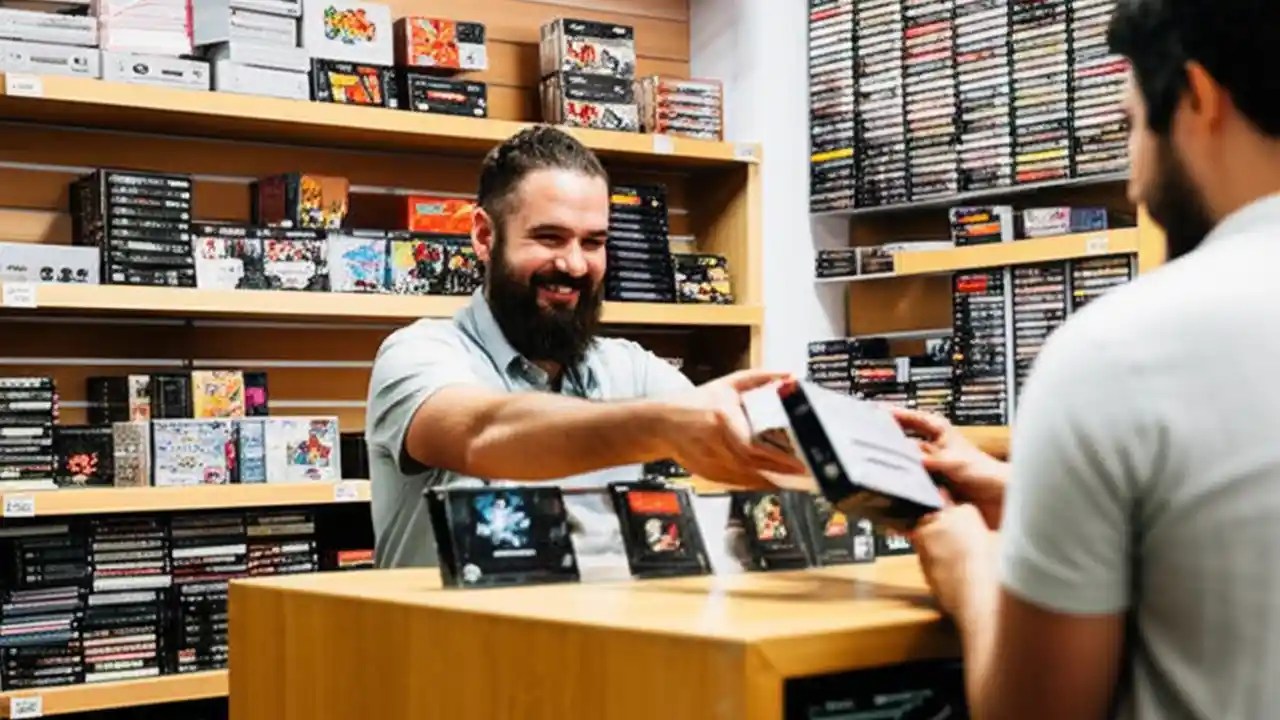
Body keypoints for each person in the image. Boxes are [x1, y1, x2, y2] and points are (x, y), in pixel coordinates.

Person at [896, 0, 1280, 717]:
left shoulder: (1120, 353)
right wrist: (1042, 502)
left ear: (1196, 97)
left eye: (1132, 124)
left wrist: (972, 568)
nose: (1134, 180)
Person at [365, 125, 803, 568]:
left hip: (590, 634)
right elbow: (480, 434)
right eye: (549, 237)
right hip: (449, 636)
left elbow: (749, 432)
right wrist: (664, 425)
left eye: (593, 242)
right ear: (484, 235)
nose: (574, 264)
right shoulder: (418, 353)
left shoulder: (627, 368)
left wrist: (850, 437)